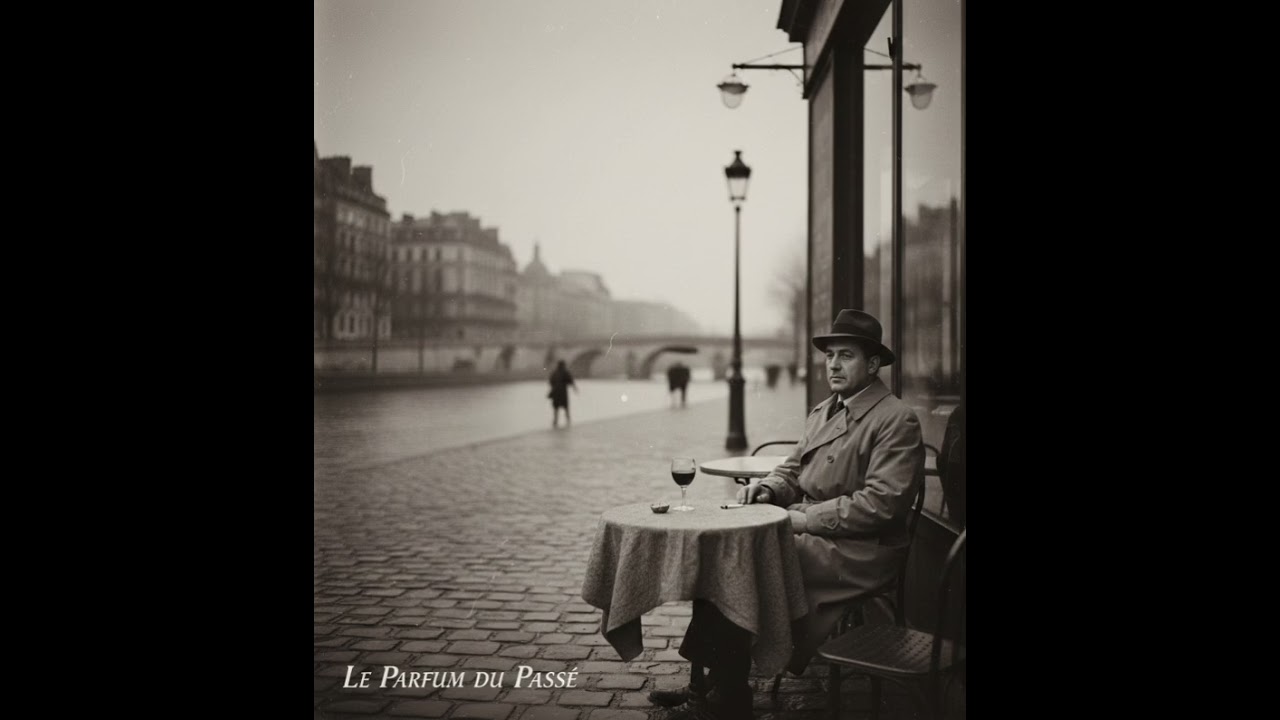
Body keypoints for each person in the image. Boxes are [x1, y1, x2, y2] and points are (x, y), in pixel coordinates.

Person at [651, 309, 924, 719]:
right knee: (725, 549)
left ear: (872, 364)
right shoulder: (824, 411)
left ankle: (724, 697)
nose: (832, 364)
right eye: (830, 355)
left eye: (845, 355)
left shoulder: (895, 419)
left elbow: (882, 505)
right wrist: (768, 488)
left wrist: (803, 519)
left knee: (737, 560)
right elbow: (792, 469)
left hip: (859, 551)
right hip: (820, 538)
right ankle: (710, 686)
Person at [547, 360, 577, 428]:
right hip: (563, 393)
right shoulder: (565, 372)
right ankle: (568, 423)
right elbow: (571, 381)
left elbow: (550, 382)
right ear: (563, 365)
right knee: (566, 409)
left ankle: (555, 424)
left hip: (555, 393)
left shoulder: (554, 373)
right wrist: (575, 388)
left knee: (556, 409)